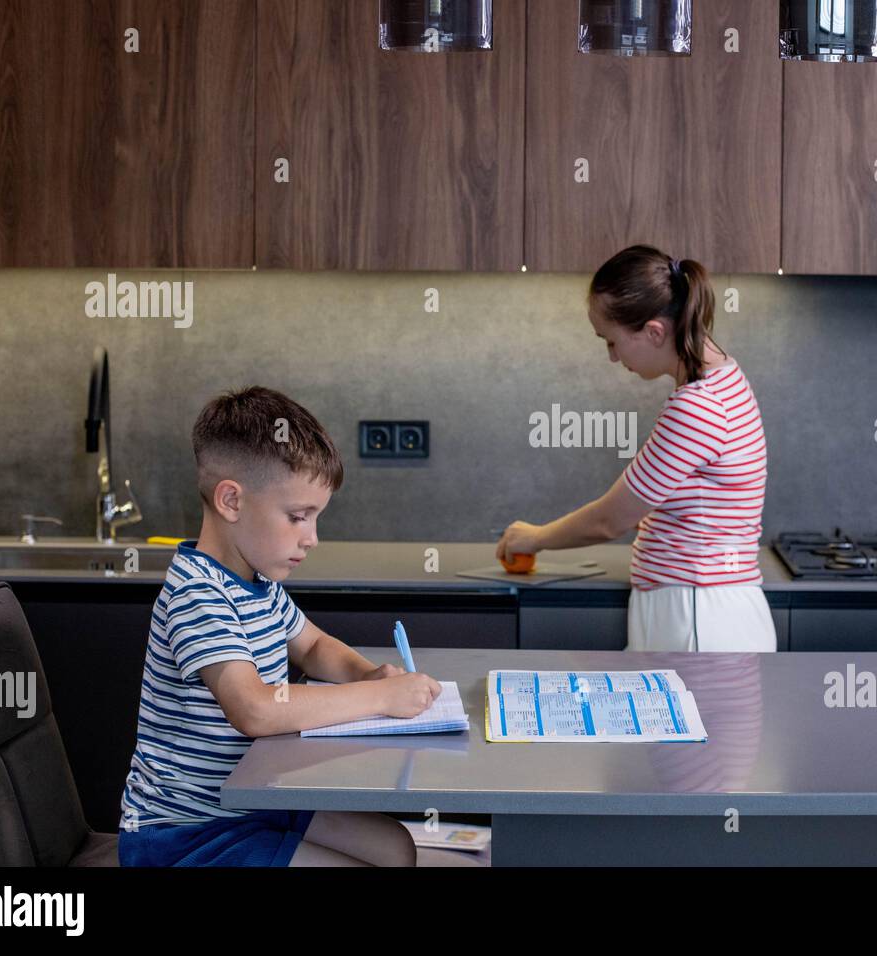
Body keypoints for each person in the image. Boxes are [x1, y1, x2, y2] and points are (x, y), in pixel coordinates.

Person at [118, 385, 442, 866]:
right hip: (185, 833)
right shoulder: (198, 592)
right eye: (297, 517)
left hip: (252, 799)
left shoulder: (257, 582)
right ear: (232, 501)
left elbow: (312, 647)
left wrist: (366, 674)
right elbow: (253, 709)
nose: (311, 538)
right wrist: (379, 699)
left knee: (397, 848)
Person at [497, 245, 774, 652]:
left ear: (654, 331)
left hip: (699, 616)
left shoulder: (698, 408)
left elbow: (612, 519)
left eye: (611, 341)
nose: (612, 357)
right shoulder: (724, 378)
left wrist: (534, 537)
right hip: (700, 609)